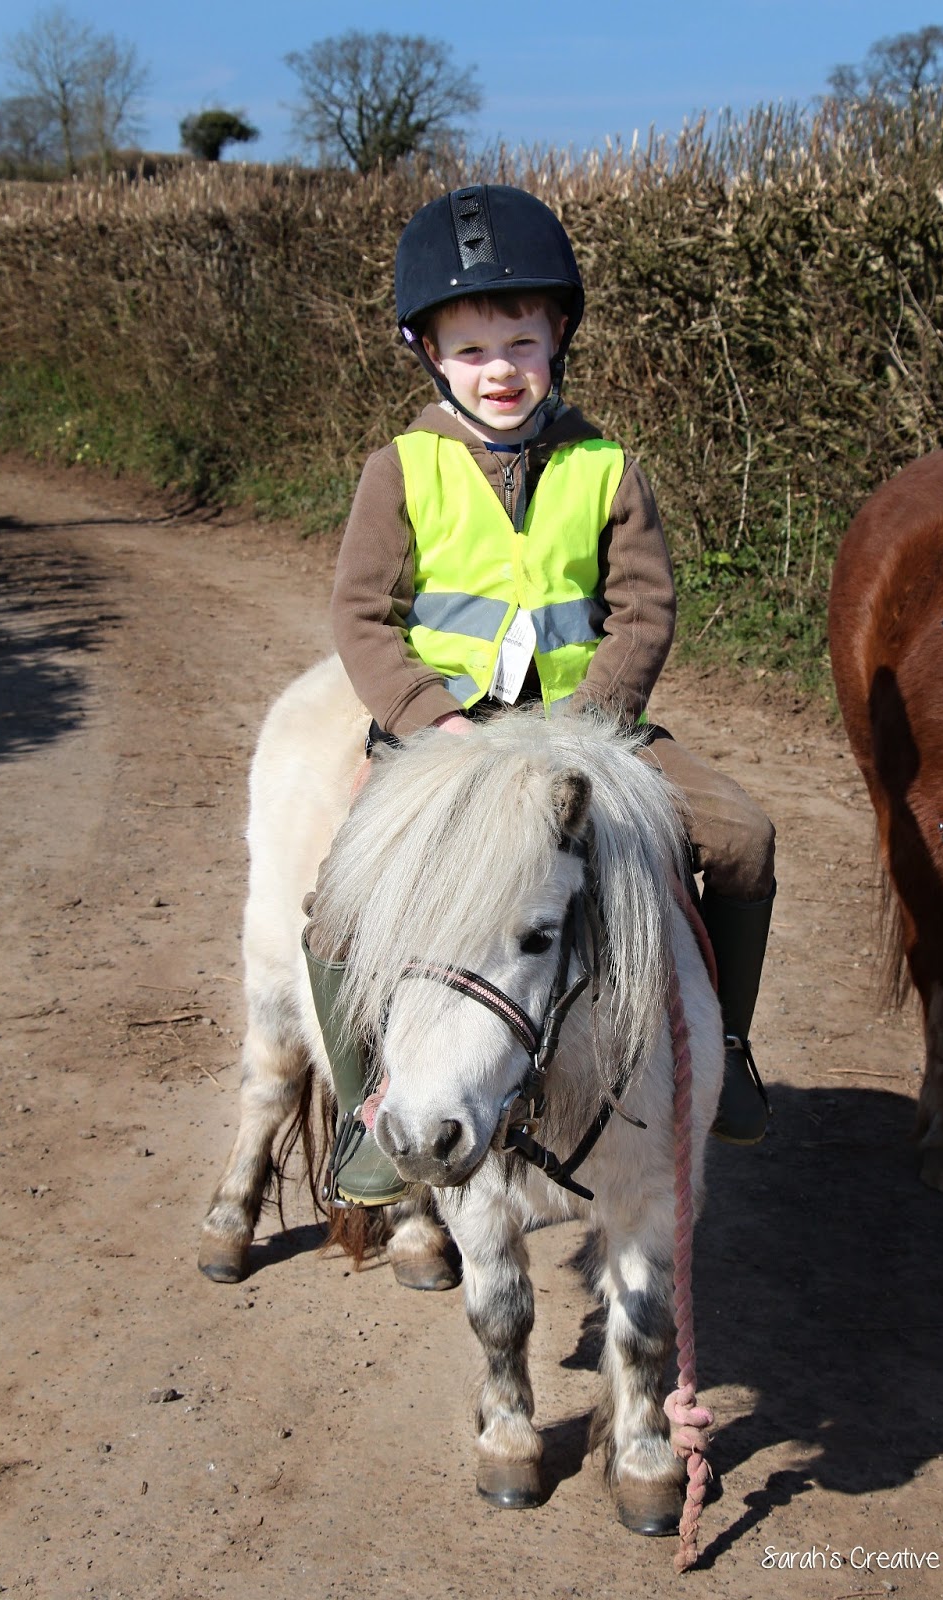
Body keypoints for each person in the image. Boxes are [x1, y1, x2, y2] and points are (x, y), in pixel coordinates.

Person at [329, 182, 775, 1165]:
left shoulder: (606, 466)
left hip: (590, 728)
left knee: (744, 833)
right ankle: (369, 1108)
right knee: (335, 911)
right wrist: (427, 718)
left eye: (520, 342)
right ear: (430, 354)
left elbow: (644, 608)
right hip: (443, 736)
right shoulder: (397, 470)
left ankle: (727, 1046)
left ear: (557, 335)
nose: (499, 369)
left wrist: (594, 718)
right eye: (472, 349)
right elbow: (361, 617)